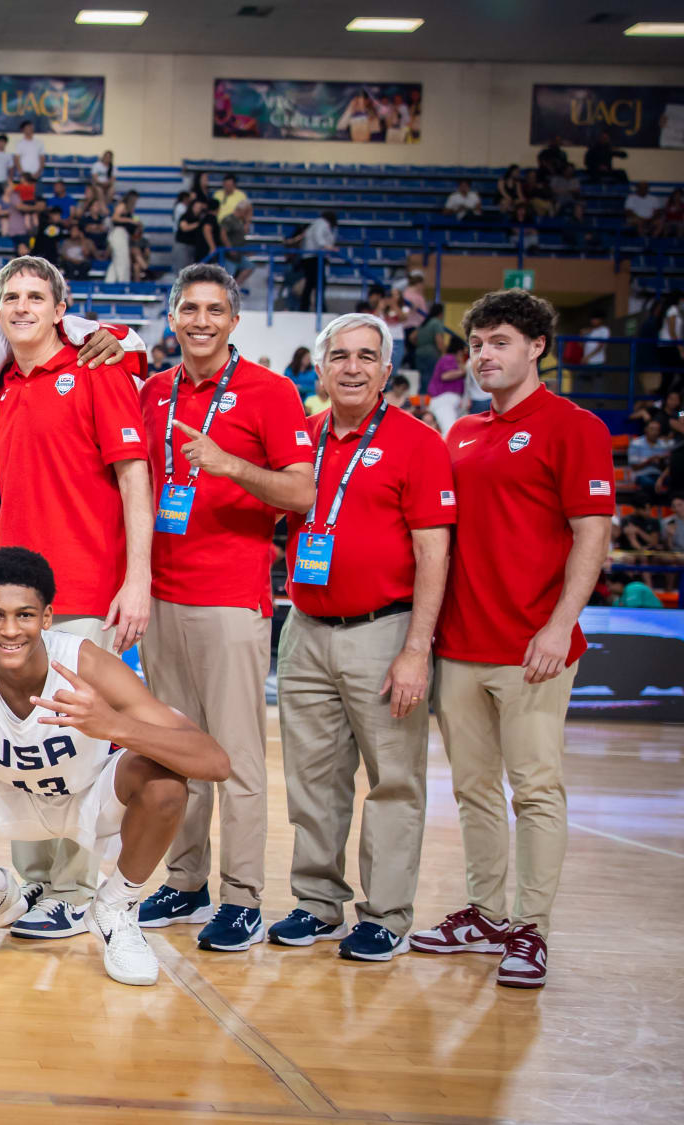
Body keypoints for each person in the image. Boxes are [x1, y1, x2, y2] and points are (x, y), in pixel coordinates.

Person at [0, 547, 232, 985]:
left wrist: (113, 725)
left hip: (89, 802)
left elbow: (214, 762)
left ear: (47, 618)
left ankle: (116, 907)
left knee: (165, 780)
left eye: (24, 615)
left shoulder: (86, 664)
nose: (10, 630)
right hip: (7, 802)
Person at [413, 289, 614, 989]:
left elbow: (592, 535)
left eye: (499, 342)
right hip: (461, 645)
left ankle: (532, 928)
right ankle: (487, 913)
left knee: (535, 790)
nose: (483, 356)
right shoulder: (463, 432)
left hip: (533, 648)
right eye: (476, 345)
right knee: (473, 792)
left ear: (537, 348)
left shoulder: (574, 426)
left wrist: (559, 625)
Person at [134, 263, 315, 950]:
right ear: (173, 318)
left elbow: (301, 492)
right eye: (189, 309)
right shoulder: (154, 390)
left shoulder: (271, 392)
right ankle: (186, 882)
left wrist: (230, 464)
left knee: (235, 758)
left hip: (231, 600)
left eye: (214, 310)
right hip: (160, 596)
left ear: (234, 321)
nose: (201, 321)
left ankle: (242, 897)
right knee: (175, 751)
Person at [268, 313, 455, 961]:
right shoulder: (301, 438)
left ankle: (387, 913)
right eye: (340, 356)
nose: (352, 367)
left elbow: (434, 553)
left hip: (384, 631)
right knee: (312, 779)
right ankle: (318, 902)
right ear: (320, 369)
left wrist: (416, 650)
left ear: (386, 370)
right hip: (305, 629)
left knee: (394, 781)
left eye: (366, 356)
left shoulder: (418, 441)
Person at [0, 256, 152, 936]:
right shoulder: (4, 380)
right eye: (11, 297)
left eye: (36, 296)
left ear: (62, 310)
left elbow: (135, 477)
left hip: (84, 587)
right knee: (22, 741)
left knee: (75, 745)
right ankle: (34, 878)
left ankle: (76, 888)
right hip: (14, 598)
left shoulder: (97, 371)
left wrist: (137, 579)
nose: (22, 307)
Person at [287, 211, 337, 311]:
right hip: (314, 257)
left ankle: (308, 307)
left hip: (311, 257)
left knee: (311, 283)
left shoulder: (316, 224)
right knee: (317, 283)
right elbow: (319, 239)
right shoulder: (322, 224)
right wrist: (328, 247)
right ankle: (317, 307)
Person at [628, 418, 675, 491]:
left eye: (657, 430)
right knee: (648, 483)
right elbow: (634, 467)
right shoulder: (636, 443)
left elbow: (667, 466)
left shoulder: (664, 445)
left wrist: (661, 461)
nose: (654, 432)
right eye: (652, 429)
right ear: (646, 430)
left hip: (659, 475)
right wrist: (650, 461)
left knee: (674, 482)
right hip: (641, 475)